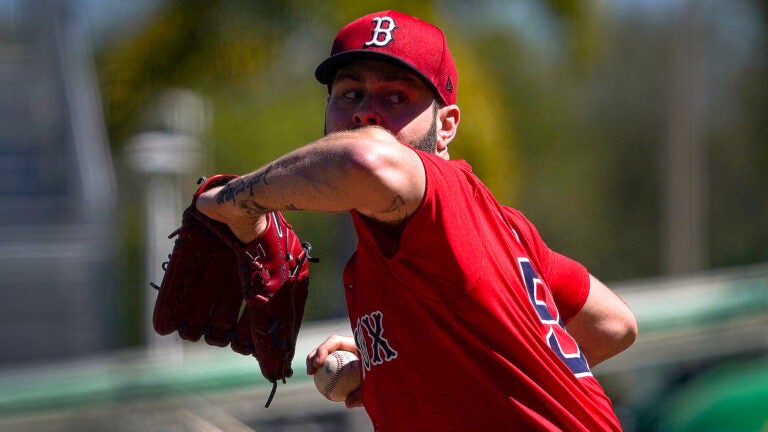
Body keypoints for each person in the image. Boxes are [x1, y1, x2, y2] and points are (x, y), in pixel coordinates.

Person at [197, 10, 637, 431]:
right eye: (350, 94)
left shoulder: (441, 201)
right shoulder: (502, 227)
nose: (366, 113)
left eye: (395, 97)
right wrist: (411, 367)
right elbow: (611, 326)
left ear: (446, 127)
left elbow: (365, 159)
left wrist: (233, 202)